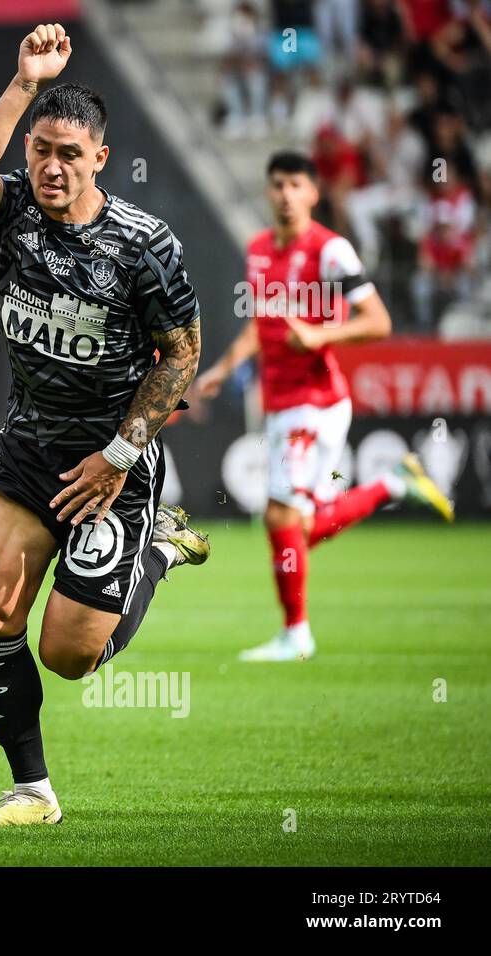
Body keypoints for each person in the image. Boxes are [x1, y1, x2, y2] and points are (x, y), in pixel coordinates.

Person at [0, 23, 210, 829]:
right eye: (40, 150)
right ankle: (32, 789)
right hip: (29, 449)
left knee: (69, 655)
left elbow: (181, 357)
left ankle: (158, 548)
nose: (51, 167)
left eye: (69, 153)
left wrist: (122, 454)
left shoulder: (142, 246)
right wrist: (24, 82)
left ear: (100, 156)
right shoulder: (14, 212)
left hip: (113, 462)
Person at [194, 151, 453, 663]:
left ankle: (297, 634)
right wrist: (225, 368)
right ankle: (395, 484)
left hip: (316, 401)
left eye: (295, 185)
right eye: (277, 185)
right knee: (298, 526)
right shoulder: (260, 250)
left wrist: (319, 334)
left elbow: (378, 321)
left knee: (280, 515)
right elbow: (260, 324)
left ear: (313, 193)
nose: (285, 195)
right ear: (267, 192)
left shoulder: (332, 251)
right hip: (282, 402)